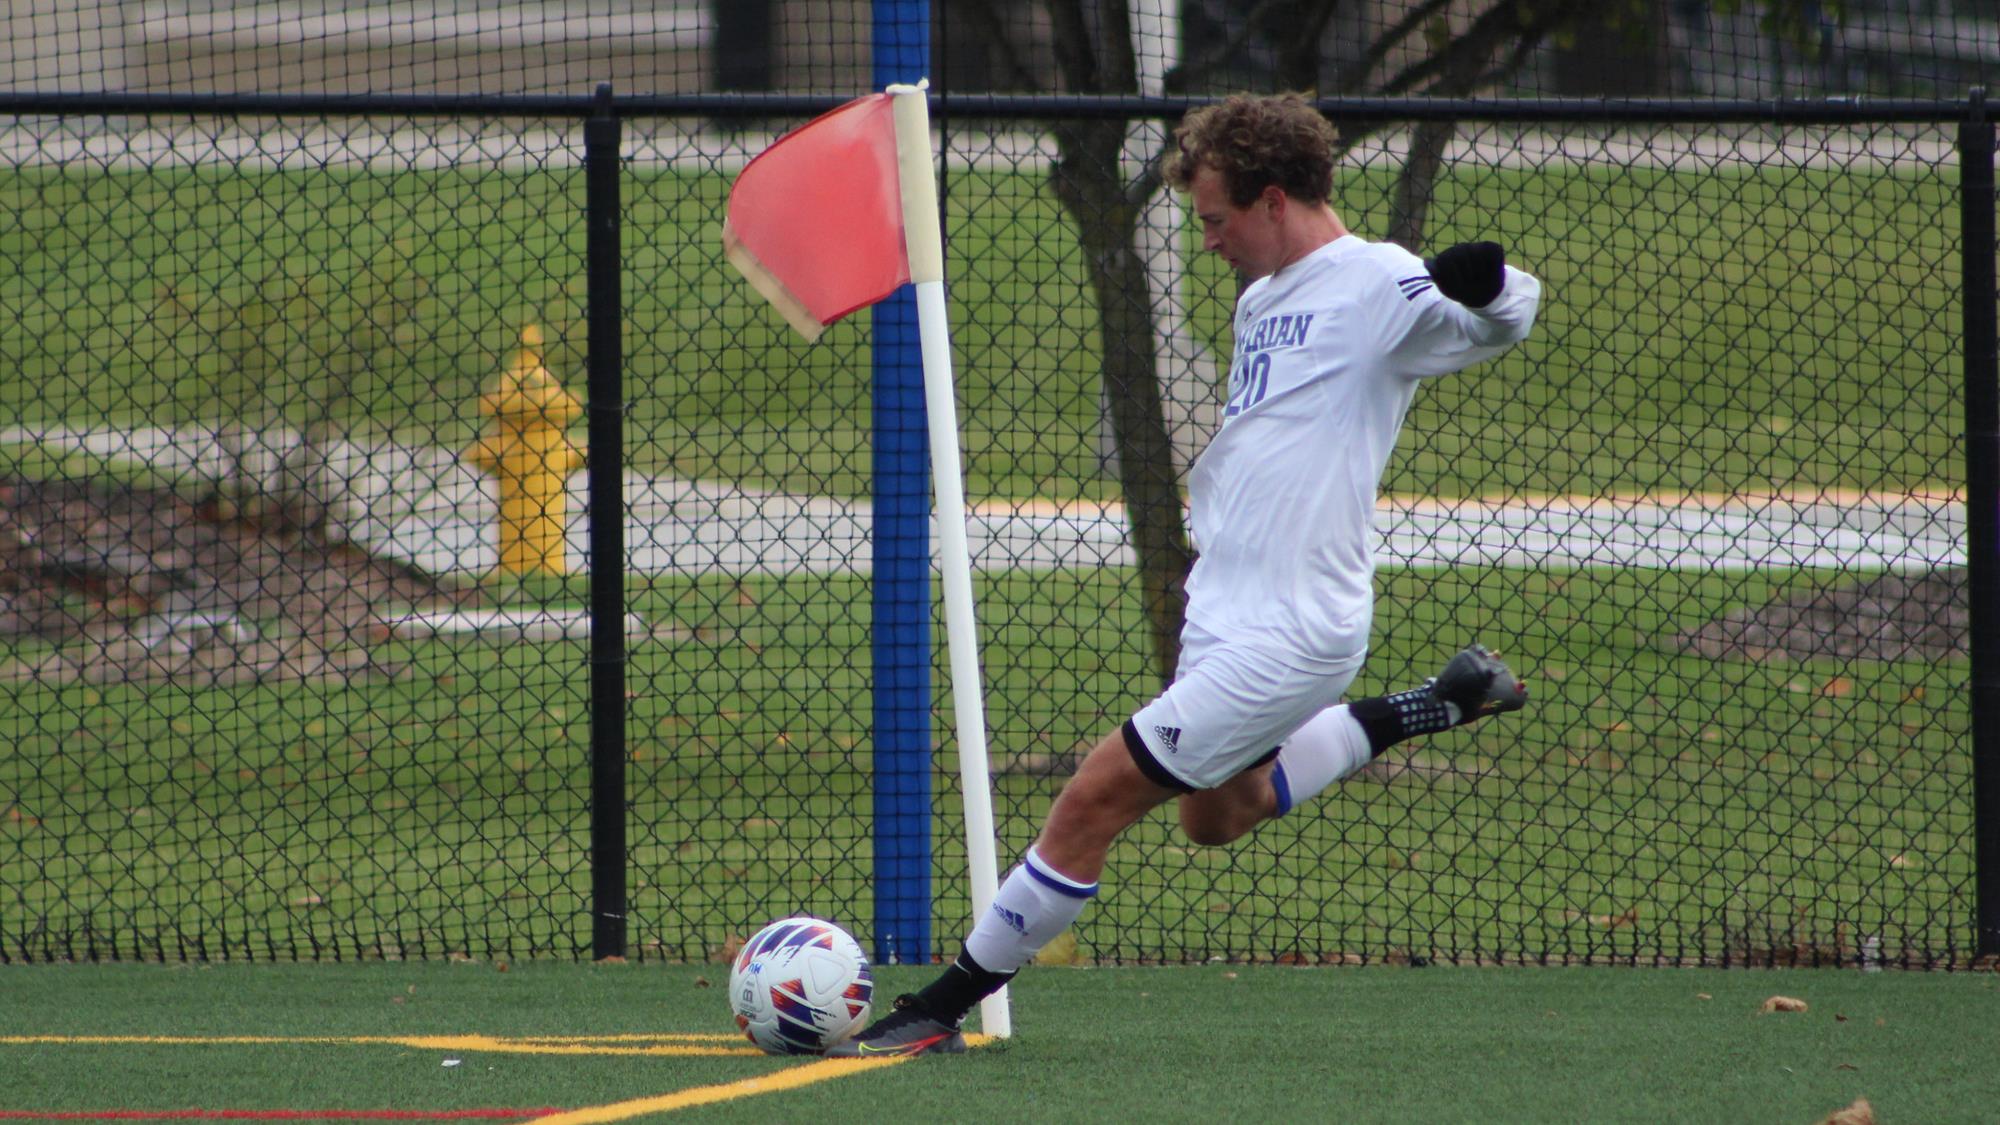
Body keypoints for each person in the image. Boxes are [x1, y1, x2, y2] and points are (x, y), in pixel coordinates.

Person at [829, 92, 1543, 1057]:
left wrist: (1488, 283)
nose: (1207, 241)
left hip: (1295, 626)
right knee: (1217, 815)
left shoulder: (1380, 283)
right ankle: (1440, 702)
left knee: (1094, 795)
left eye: (1215, 219)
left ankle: (936, 1007)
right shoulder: (1261, 297)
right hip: (1226, 607)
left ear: (1275, 199)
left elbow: (1506, 319)